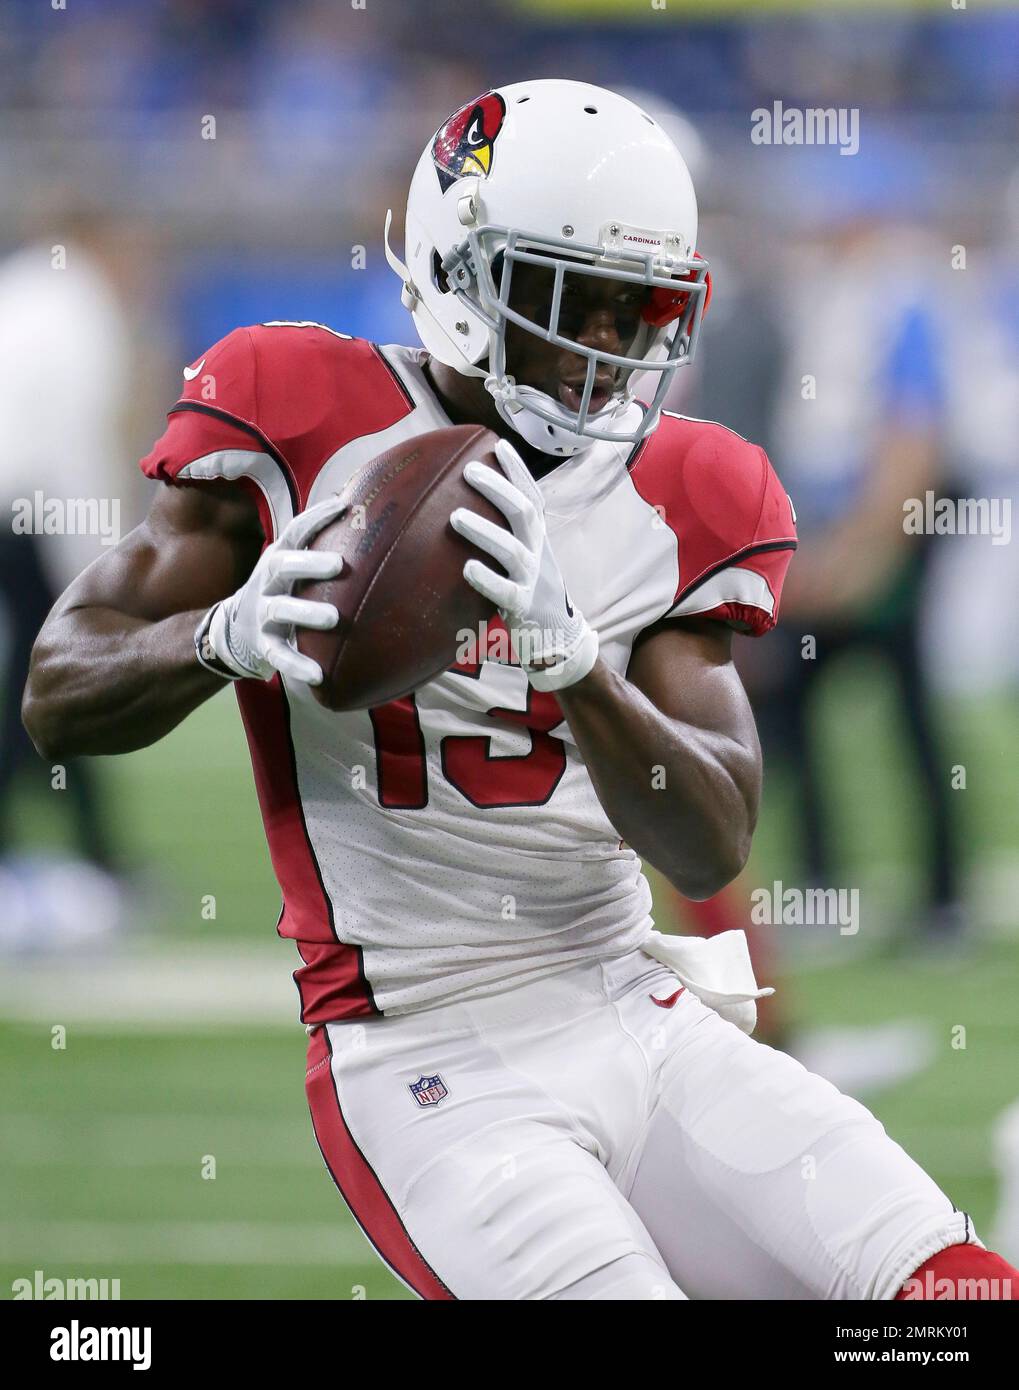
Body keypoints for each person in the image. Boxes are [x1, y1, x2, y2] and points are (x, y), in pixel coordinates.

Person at [22, 81, 1016, 1301]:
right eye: (572, 300)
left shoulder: (688, 489)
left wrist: (575, 662)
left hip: (629, 1000)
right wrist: (217, 635)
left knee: (951, 1293)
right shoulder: (296, 417)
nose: (610, 348)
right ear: (459, 269)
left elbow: (707, 842)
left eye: (638, 308)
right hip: (421, 1045)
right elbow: (58, 692)